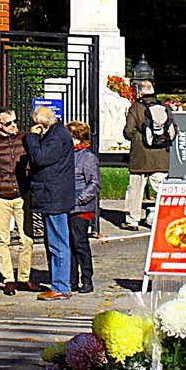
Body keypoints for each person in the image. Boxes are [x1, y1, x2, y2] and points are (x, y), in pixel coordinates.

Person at [0, 109, 37, 293]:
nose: (13, 126)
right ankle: (8, 279)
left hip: (22, 194)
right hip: (0, 196)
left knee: (27, 238)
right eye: (8, 123)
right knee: (2, 239)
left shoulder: (25, 139)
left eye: (15, 121)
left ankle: (24, 277)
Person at [25, 104, 77, 300]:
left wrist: (31, 137)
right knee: (54, 241)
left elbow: (39, 157)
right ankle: (59, 282)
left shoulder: (56, 137)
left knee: (57, 242)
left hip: (54, 195)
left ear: (40, 124)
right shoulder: (58, 135)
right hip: (53, 194)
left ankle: (61, 286)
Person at [124, 82, 175, 229]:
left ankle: (132, 221)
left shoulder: (136, 108)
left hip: (140, 154)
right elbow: (174, 128)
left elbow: (129, 131)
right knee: (160, 187)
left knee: (135, 188)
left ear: (139, 93)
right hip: (161, 154)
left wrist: (138, 138)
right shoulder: (164, 106)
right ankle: (164, 217)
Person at [69, 121, 100, 294]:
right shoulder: (67, 155)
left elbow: (94, 184)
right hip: (67, 205)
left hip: (81, 208)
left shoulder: (87, 157)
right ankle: (71, 279)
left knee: (80, 243)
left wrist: (78, 199)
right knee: (69, 244)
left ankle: (86, 279)